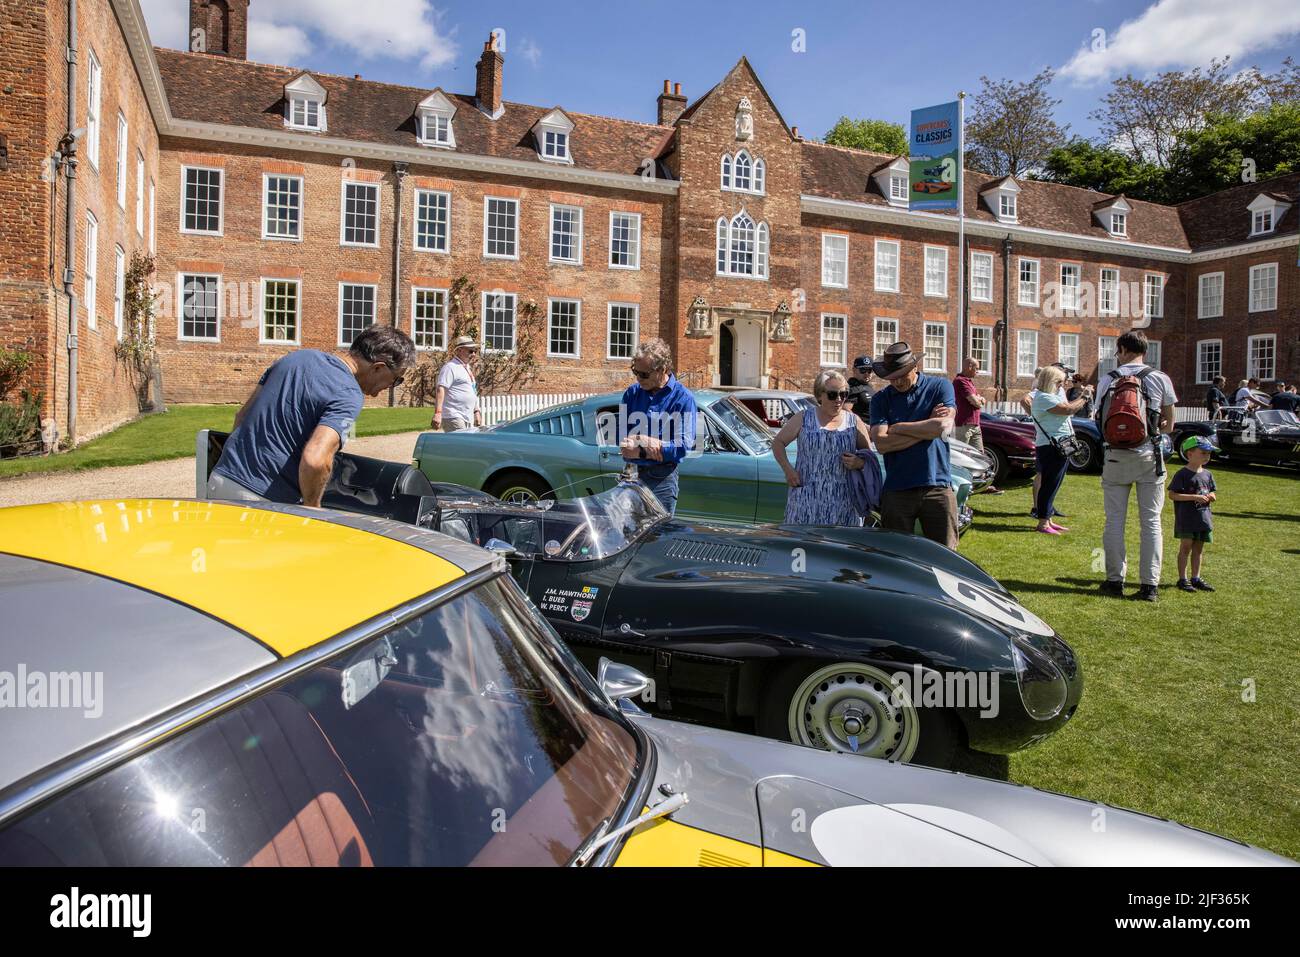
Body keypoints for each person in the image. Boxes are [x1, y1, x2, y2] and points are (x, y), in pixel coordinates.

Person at [209, 325, 415, 507]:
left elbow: (241, 417)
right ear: (378, 367)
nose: (389, 387)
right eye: (396, 380)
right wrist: (312, 507)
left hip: (220, 480)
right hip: (263, 501)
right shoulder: (348, 393)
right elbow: (316, 460)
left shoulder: (294, 358)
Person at [1094, 330, 1177, 602]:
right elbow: (1169, 424)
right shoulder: (1160, 378)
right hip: (1149, 456)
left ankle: (1114, 580)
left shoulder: (1108, 379)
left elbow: (1099, 419)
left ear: (1123, 350)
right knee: (1151, 522)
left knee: (1114, 521)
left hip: (1116, 456)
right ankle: (1149, 586)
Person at [868, 341, 959, 549]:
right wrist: (927, 429)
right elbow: (881, 443)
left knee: (945, 555)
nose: (897, 381)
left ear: (915, 367)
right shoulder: (881, 399)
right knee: (895, 556)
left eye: (902, 375)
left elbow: (943, 426)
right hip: (897, 488)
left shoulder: (939, 386)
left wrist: (898, 427)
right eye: (892, 377)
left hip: (937, 485)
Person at [773, 370, 873, 526]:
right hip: (805, 501)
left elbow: (869, 457)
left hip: (844, 503)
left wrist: (858, 463)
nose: (839, 399)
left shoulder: (854, 421)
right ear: (820, 395)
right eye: (833, 395)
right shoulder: (803, 418)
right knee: (804, 547)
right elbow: (778, 443)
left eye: (844, 394)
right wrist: (788, 471)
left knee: (840, 548)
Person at [619, 338, 697, 515]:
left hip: (662, 481)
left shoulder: (683, 399)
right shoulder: (631, 394)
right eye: (635, 372)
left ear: (663, 370)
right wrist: (644, 441)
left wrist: (640, 445)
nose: (638, 378)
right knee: (628, 535)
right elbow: (623, 442)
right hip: (631, 475)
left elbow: (682, 447)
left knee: (658, 538)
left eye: (644, 374)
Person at [1026, 365, 1090, 535]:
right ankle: (1042, 523)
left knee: (1054, 483)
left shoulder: (1049, 396)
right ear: (1051, 381)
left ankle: (1048, 518)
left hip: (1059, 445)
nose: (1062, 386)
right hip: (1051, 446)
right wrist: (1085, 396)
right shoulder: (1044, 397)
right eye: (1060, 382)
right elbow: (1069, 409)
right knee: (1049, 484)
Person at [1168, 436, 1218, 594]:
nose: (1206, 456)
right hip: (1187, 519)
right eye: (1203, 452)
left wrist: (1211, 496)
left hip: (1203, 519)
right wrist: (1194, 497)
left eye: (1209, 453)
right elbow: (1172, 495)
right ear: (1189, 454)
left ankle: (1196, 578)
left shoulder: (1208, 474)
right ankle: (1182, 579)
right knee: (1185, 548)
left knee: (1198, 549)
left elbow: (1212, 492)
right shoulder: (1182, 474)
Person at [952, 356, 1002, 494]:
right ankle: (960, 484)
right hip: (964, 425)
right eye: (976, 369)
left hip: (975, 425)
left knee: (979, 455)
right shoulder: (960, 381)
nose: (977, 372)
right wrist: (979, 400)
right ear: (969, 367)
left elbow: (980, 399)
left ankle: (983, 484)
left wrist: (979, 399)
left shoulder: (969, 382)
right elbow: (976, 401)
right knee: (961, 456)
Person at [432, 336, 482, 432]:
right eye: (470, 351)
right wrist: (438, 413)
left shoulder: (466, 367)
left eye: (475, 351)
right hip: (453, 415)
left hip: (467, 416)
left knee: (463, 445)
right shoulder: (450, 367)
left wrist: (476, 411)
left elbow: (472, 390)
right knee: (463, 445)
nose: (474, 354)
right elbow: (441, 389)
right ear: (459, 350)